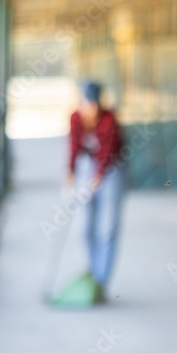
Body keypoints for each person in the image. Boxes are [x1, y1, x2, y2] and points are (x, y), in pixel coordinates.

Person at [67, 81, 125, 304]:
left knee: (108, 227)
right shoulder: (75, 118)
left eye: (93, 105)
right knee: (86, 226)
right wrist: (70, 173)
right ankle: (91, 273)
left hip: (111, 171)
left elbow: (108, 153)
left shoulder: (109, 120)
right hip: (88, 168)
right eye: (86, 104)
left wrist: (97, 178)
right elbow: (73, 146)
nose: (89, 110)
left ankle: (101, 281)